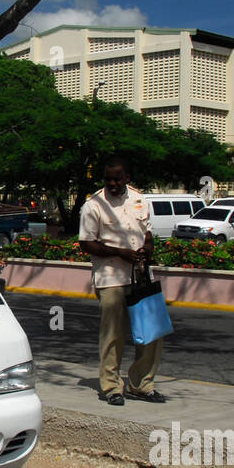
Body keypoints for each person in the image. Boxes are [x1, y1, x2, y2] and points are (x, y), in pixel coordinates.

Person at [78, 154, 165, 405]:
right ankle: (111, 387)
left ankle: (141, 384)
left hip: (141, 275)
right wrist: (120, 252)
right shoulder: (93, 205)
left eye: (117, 179)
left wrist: (147, 249)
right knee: (113, 335)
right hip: (111, 278)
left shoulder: (140, 198)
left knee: (151, 333)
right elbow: (86, 243)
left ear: (127, 177)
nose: (112, 184)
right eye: (108, 179)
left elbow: (147, 232)